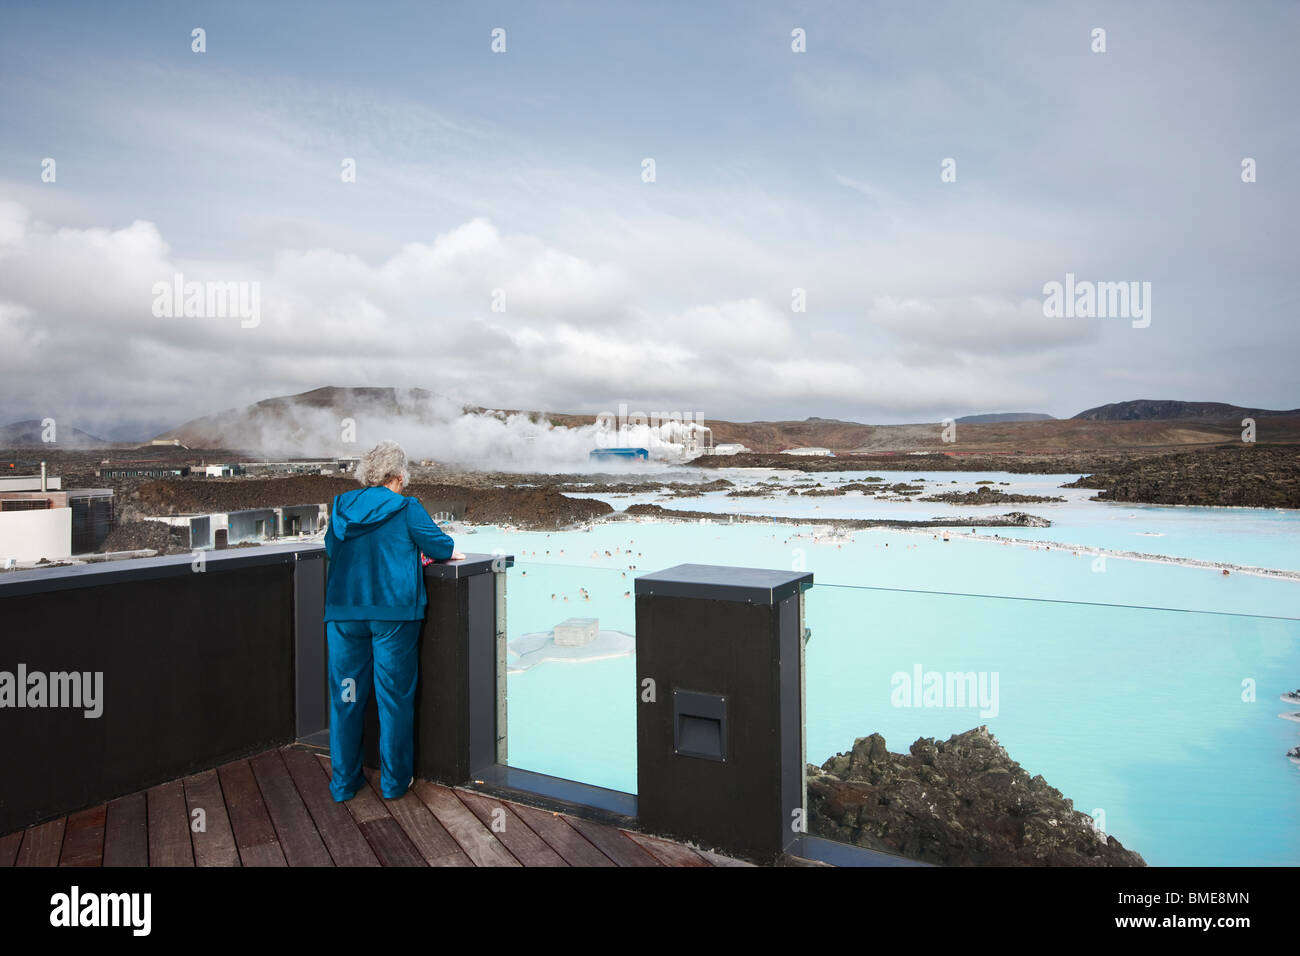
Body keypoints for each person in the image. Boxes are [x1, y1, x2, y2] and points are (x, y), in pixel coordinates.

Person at [323, 440, 464, 802]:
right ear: (398, 476)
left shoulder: (341, 506)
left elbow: (331, 549)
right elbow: (441, 547)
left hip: (344, 614)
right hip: (393, 616)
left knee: (346, 700)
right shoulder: (406, 507)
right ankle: (394, 782)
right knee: (393, 700)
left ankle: (342, 784)